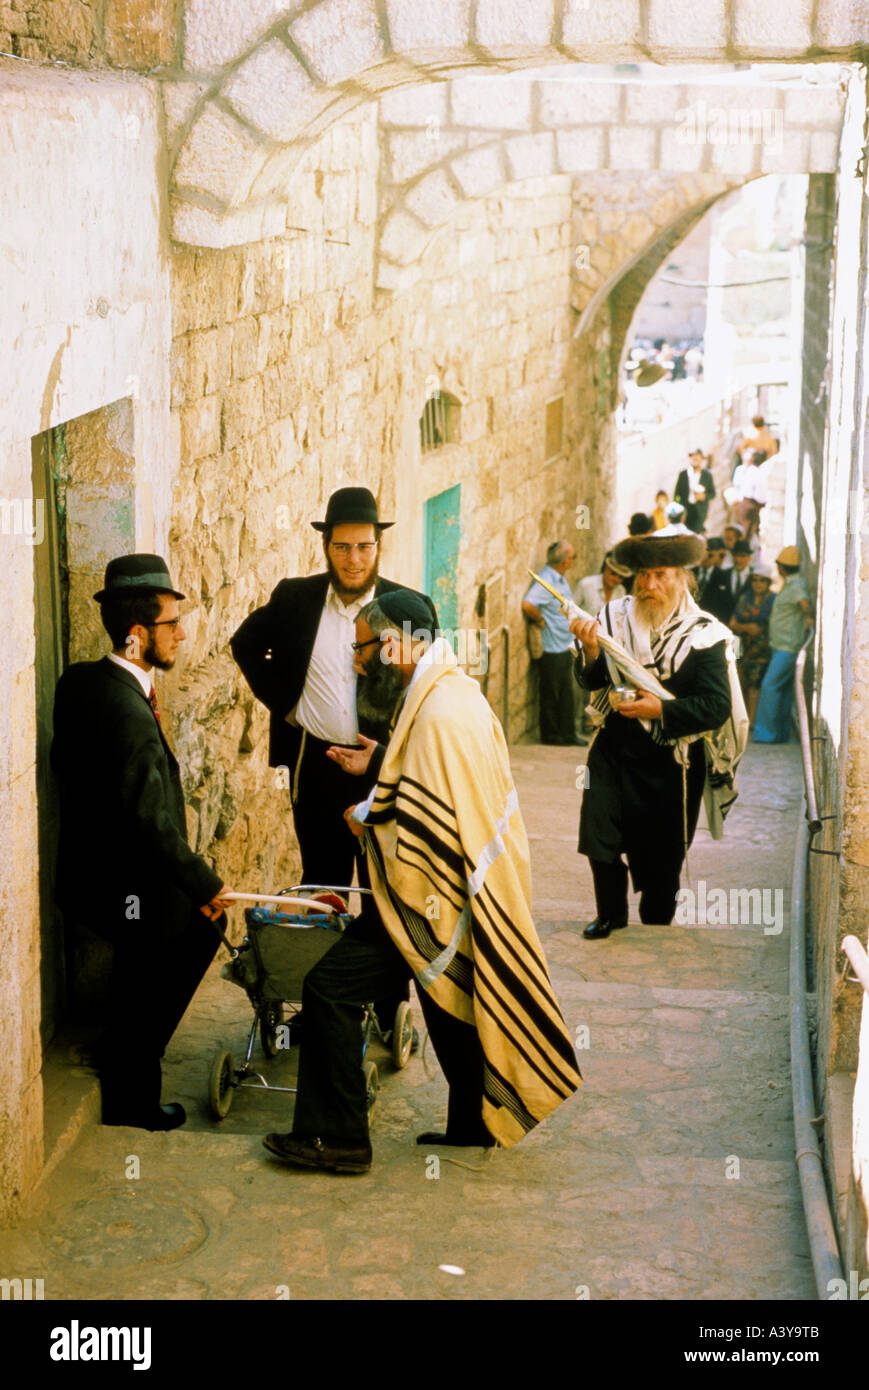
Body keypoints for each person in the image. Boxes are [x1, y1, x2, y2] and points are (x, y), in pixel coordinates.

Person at [262, 590, 582, 1173]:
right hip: (457, 893)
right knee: (449, 994)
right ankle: (473, 1125)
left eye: (361, 648)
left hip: (429, 895)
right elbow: (436, 787)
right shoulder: (450, 692)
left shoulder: (437, 714)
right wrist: (383, 763)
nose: (356, 663)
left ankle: (337, 1140)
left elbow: (425, 822)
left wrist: (364, 815)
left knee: (329, 987)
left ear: (393, 644)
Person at [51, 554, 233, 1131]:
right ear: (137, 635)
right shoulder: (129, 711)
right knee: (196, 927)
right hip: (121, 885)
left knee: (160, 934)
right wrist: (207, 884)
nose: (181, 633)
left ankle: (120, 1052)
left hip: (93, 871)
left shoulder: (83, 681)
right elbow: (151, 820)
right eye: (170, 623)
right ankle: (133, 1096)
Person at [230, 486, 436, 887]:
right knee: (324, 885)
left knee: (387, 887)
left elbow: (428, 685)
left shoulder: (410, 607)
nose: (354, 560)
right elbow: (245, 645)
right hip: (317, 767)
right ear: (326, 545)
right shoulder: (295, 598)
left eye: (364, 546)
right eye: (342, 547)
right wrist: (288, 708)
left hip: (385, 768)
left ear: (378, 545)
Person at [570, 529, 734, 936]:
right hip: (614, 747)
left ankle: (657, 924)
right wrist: (591, 651)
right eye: (643, 575)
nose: (649, 585)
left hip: (673, 761)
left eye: (660, 575)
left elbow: (716, 707)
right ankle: (610, 914)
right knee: (598, 834)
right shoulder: (612, 618)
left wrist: (660, 708)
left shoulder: (704, 634)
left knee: (663, 856)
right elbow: (592, 681)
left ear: (682, 579)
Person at [522, 540, 583, 746]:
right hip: (551, 645)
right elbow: (528, 603)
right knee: (551, 691)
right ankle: (551, 735)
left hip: (564, 643)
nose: (573, 561)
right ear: (565, 561)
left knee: (565, 690)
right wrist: (540, 620)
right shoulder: (546, 580)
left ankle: (567, 733)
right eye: (572, 557)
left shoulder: (559, 579)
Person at [752, 547, 814, 743]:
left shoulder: (795, 586)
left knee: (769, 686)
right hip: (782, 646)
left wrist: (808, 617)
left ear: (781, 568)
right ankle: (779, 733)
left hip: (788, 648)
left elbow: (804, 604)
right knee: (783, 690)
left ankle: (765, 733)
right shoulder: (791, 584)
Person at [730, 563, 775, 726]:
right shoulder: (744, 598)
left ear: (768, 583)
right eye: (755, 580)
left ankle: (751, 721)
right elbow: (733, 623)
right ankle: (740, 720)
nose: (758, 583)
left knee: (754, 685)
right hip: (741, 646)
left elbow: (761, 627)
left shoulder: (772, 600)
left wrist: (745, 626)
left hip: (762, 648)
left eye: (762, 580)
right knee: (739, 681)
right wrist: (747, 627)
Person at [674, 449, 716, 534]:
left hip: (699, 511)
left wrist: (704, 496)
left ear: (702, 459)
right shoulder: (683, 475)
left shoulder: (707, 476)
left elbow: (712, 493)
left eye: (697, 457)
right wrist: (678, 506)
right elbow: (677, 495)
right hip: (686, 510)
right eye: (693, 457)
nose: (695, 459)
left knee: (697, 534)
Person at [731, 450, 767, 542]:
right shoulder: (739, 469)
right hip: (740, 501)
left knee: (747, 529)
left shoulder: (755, 471)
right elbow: (736, 485)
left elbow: (759, 490)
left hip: (750, 502)